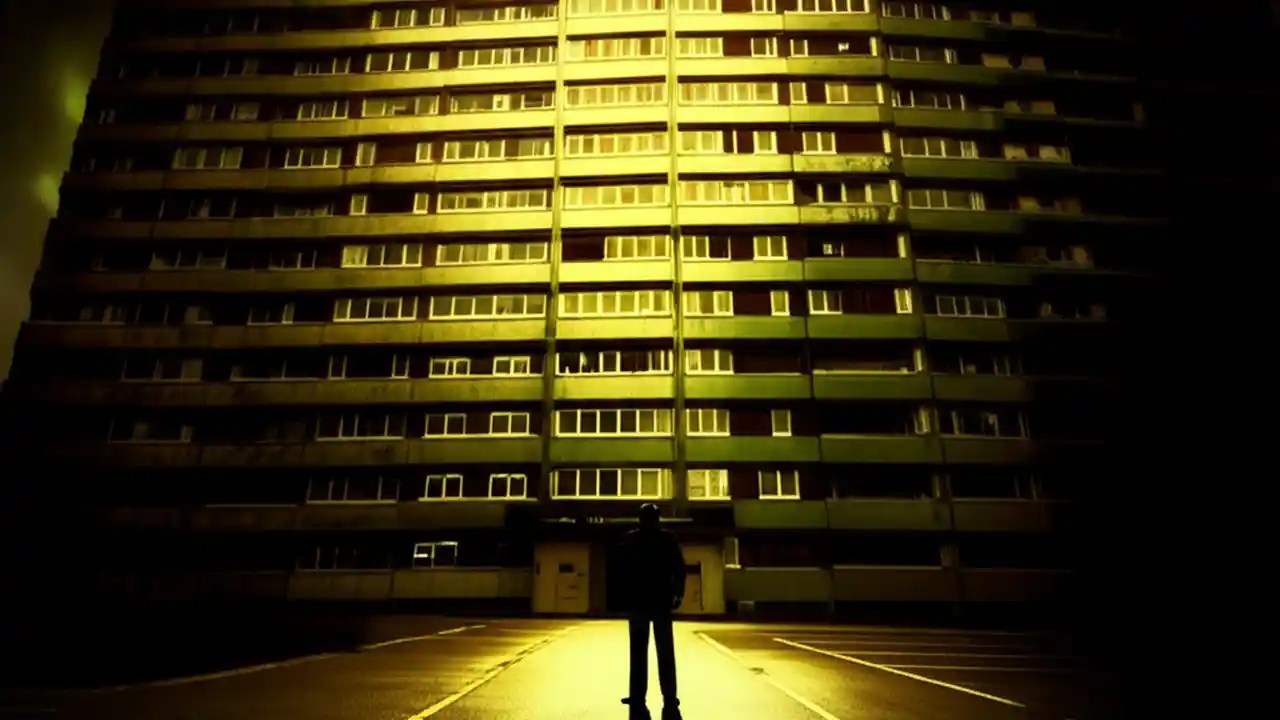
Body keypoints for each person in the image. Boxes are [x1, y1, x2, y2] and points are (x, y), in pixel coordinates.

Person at [619, 503, 686, 720]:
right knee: (665, 652)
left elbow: (622, 571)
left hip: (638, 601)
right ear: (658, 519)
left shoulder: (631, 539)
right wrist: (678, 594)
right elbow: (679, 568)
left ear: (640, 519)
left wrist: (623, 597)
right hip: (661, 600)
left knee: (638, 653)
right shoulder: (667, 539)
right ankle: (669, 697)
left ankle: (637, 696)